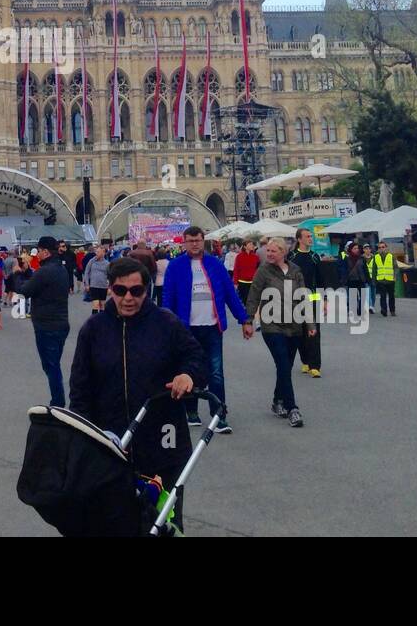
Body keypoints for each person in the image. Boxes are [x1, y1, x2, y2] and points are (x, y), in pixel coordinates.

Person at [69, 257, 206, 530]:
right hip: (112, 445)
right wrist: (83, 438)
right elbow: (80, 390)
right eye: (121, 290)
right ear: (110, 288)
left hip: (164, 443)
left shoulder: (166, 323)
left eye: (136, 291)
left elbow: (196, 358)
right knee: (115, 522)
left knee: (164, 522)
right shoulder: (93, 330)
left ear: (147, 290)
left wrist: (187, 375)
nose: (128, 298)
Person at [161, 225, 249, 432]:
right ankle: (191, 411)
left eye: (198, 240)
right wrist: (166, 325)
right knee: (187, 370)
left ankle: (219, 416)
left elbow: (230, 293)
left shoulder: (215, 264)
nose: (194, 244)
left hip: (212, 327)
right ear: (184, 243)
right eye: (190, 241)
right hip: (186, 329)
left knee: (216, 373)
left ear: (203, 241)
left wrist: (244, 319)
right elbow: (167, 297)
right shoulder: (175, 266)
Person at [242, 236, 312, 428]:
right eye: (268, 251)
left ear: (283, 252)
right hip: (271, 325)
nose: (269, 254)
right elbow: (253, 296)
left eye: (273, 251)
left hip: (294, 324)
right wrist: (248, 320)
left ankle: (277, 400)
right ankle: (292, 408)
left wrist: (310, 324)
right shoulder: (263, 271)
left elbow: (303, 297)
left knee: (286, 366)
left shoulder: (295, 270)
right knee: (282, 362)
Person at [15, 237, 71, 407]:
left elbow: (24, 291)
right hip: (61, 322)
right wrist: (27, 273)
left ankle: (58, 403)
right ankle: (58, 401)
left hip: (47, 325)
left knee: (51, 366)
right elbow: (36, 284)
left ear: (46, 252)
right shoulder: (61, 269)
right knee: (53, 364)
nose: (37, 254)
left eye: (39, 251)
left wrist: (17, 274)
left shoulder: (44, 271)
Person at [289, 228, 323, 375]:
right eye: (307, 236)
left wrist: (324, 300)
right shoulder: (291, 256)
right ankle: (306, 361)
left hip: (312, 298)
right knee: (300, 332)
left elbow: (320, 279)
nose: (310, 238)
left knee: (314, 331)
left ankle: (315, 366)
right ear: (299, 239)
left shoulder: (315, 256)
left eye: (311, 236)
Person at [233, 238, 260, 307]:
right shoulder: (239, 257)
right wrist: (235, 283)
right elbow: (236, 269)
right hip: (242, 282)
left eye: (252, 244)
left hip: (253, 282)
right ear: (245, 246)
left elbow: (258, 269)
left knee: (253, 300)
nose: (252, 245)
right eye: (250, 244)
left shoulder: (256, 257)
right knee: (245, 300)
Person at [83, 244, 111, 312]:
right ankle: (94, 318)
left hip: (103, 286)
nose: (96, 253)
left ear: (103, 252)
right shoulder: (92, 261)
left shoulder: (107, 263)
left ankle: (102, 318)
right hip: (94, 286)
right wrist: (87, 284)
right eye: (96, 252)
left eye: (98, 252)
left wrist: (110, 287)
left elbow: (110, 276)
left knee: (102, 305)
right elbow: (86, 272)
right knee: (96, 304)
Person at [343, 242, 368, 317]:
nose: (357, 250)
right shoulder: (347, 259)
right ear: (351, 249)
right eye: (355, 248)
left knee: (363, 296)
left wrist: (367, 279)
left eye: (357, 248)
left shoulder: (362, 258)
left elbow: (365, 269)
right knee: (353, 297)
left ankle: (360, 310)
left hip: (361, 279)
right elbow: (344, 270)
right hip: (352, 280)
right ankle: (355, 310)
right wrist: (344, 279)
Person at [361, 243, 376, 313]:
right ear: (363, 250)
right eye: (366, 249)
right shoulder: (361, 258)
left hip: (373, 278)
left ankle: (372, 306)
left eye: (369, 249)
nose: (367, 250)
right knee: (368, 293)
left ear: (370, 250)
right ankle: (370, 306)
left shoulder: (374, 258)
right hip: (366, 278)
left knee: (373, 293)